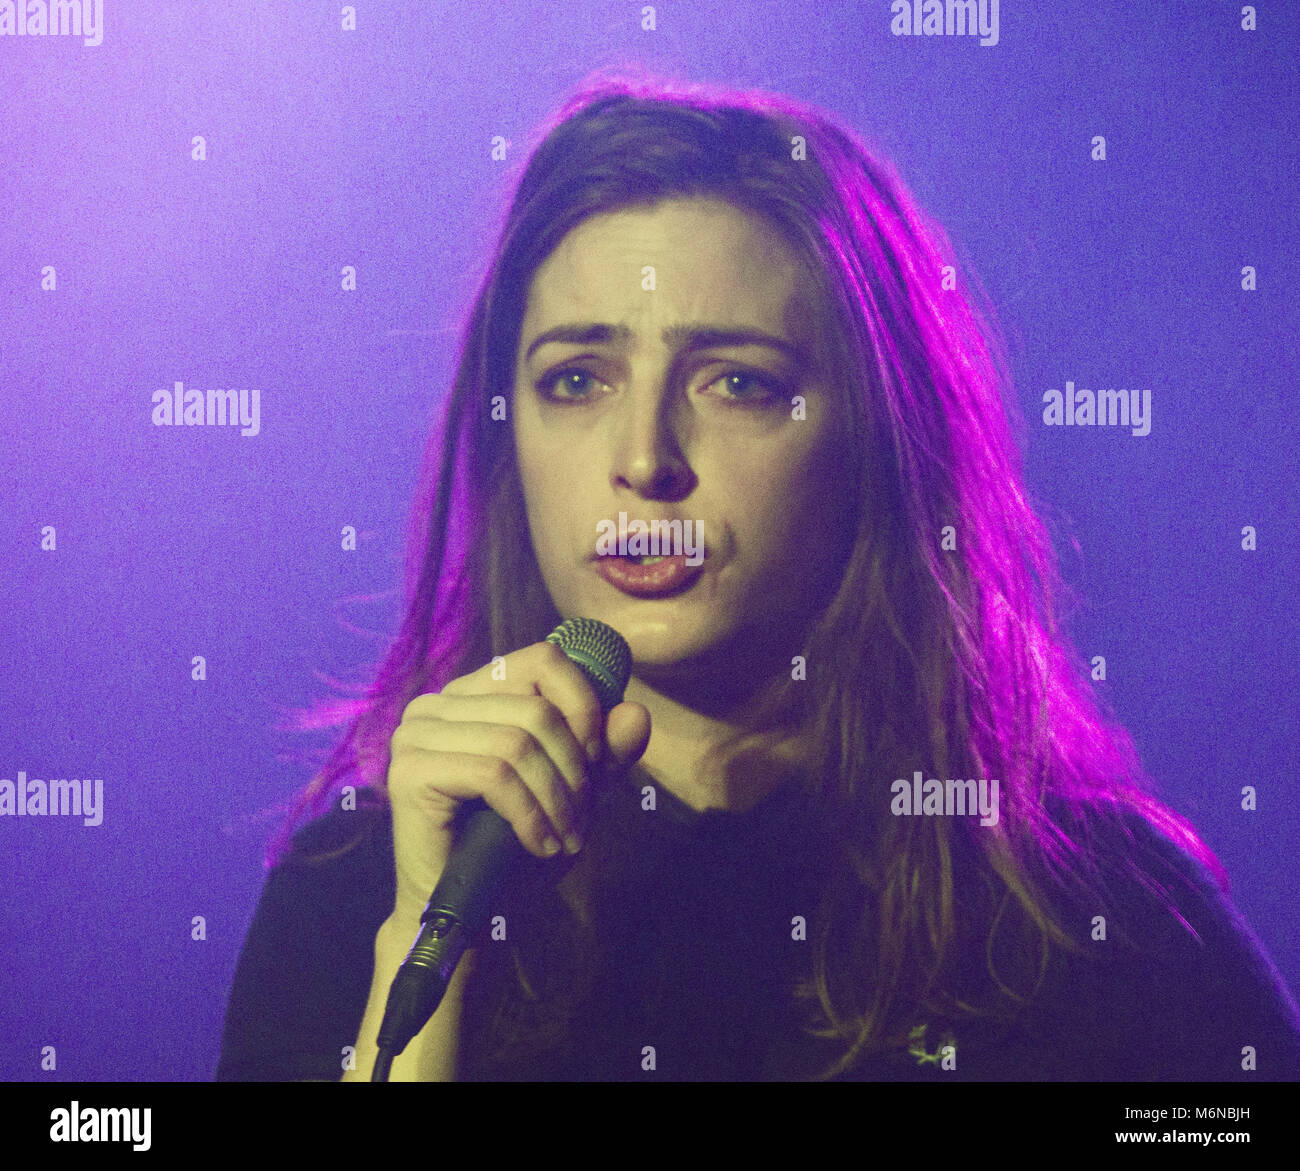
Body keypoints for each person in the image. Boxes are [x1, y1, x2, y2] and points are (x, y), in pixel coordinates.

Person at [215, 71, 1300, 1083]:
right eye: (577, 378)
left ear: (880, 435)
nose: (641, 459)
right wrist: (426, 934)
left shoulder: (1099, 914)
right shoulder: (357, 888)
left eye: (736, 381)